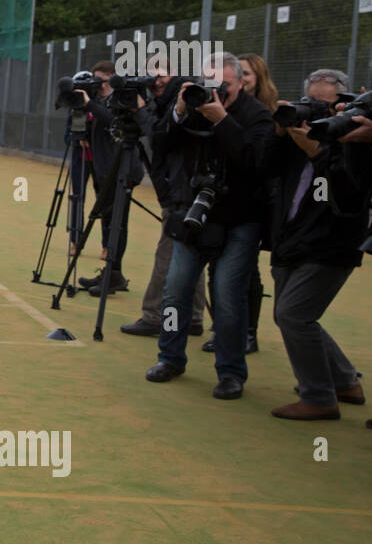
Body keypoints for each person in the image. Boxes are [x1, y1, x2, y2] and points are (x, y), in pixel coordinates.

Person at [145, 52, 274, 400]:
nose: (216, 92)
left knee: (229, 296)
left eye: (225, 86)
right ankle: (169, 357)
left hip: (239, 219)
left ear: (241, 82)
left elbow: (255, 163)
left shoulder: (257, 116)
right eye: (209, 85)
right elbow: (160, 144)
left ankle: (231, 372)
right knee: (176, 290)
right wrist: (180, 110)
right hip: (193, 213)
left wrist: (221, 120)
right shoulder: (194, 106)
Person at [263, 69, 372, 420]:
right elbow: (263, 167)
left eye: (327, 106)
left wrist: (316, 148)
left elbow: (348, 195)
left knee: (294, 315)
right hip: (291, 237)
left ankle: (320, 397)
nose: (317, 113)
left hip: (331, 243)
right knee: (293, 317)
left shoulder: (355, 142)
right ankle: (344, 380)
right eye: (311, 103)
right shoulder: (297, 134)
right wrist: (281, 133)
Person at [121, 57, 207, 337]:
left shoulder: (183, 100)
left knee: (167, 253)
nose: (155, 81)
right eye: (151, 76)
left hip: (182, 192)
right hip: (178, 189)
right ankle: (193, 317)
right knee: (189, 253)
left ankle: (155, 316)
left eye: (162, 76)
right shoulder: (164, 100)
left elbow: (159, 137)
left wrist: (140, 110)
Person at [202, 51, 277, 355]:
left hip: (251, 204)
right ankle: (223, 327)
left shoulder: (264, 113)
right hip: (217, 204)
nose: (239, 80)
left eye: (246, 75)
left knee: (244, 273)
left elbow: (255, 159)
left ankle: (246, 331)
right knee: (217, 269)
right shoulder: (211, 102)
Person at [76, 60, 152, 297]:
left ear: (112, 80)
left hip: (122, 172)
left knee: (118, 222)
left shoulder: (120, 100)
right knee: (108, 221)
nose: (98, 86)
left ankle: (114, 273)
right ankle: (110, 271)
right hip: (103, 171)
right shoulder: (99, 102)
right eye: (95, 81)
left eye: (102, 81)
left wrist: (89, 104)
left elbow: (113, 121)